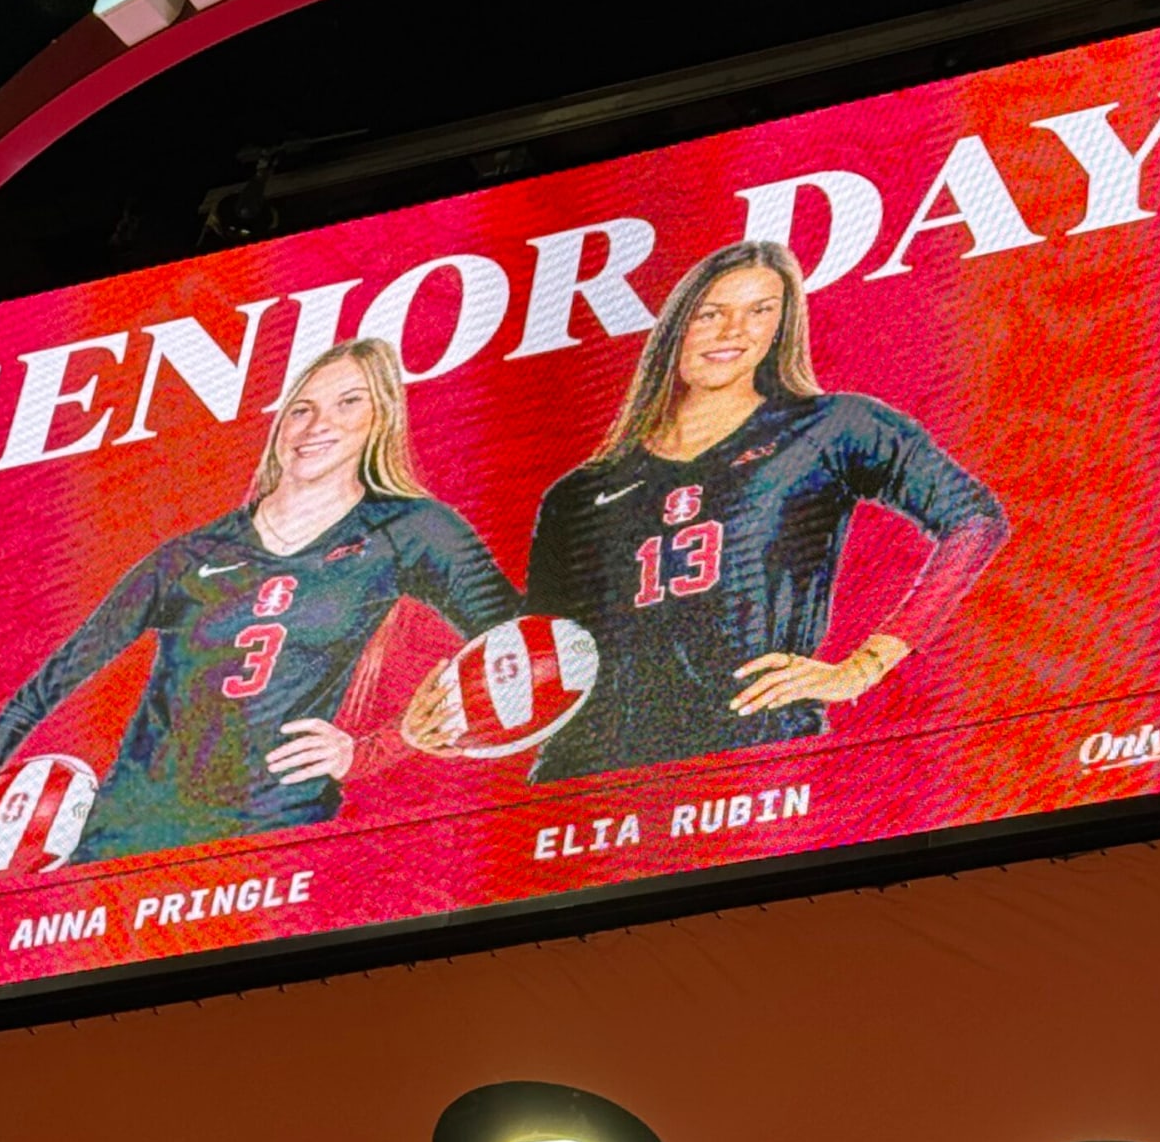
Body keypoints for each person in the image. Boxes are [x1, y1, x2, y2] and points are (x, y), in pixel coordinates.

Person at [0, 337, 517, 888]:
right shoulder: (191, 554)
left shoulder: (409, 530)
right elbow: (41, 692)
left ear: (380, 416)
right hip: (125, 843)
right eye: (301, 408)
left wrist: (379, 748)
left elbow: (528, 651)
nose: (317, 424)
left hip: (276, 845)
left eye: (348, 402)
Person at [401, 240, 1008, 781]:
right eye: (711, 313)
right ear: (676, 328)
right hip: (586, 784)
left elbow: (974, 519)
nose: (733, 331)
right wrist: (460, 715)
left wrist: (865, 665)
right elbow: (544, 650)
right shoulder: (580, 493)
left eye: (759, 311)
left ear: (781, 325)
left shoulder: (829, 427)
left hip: (753, 762)